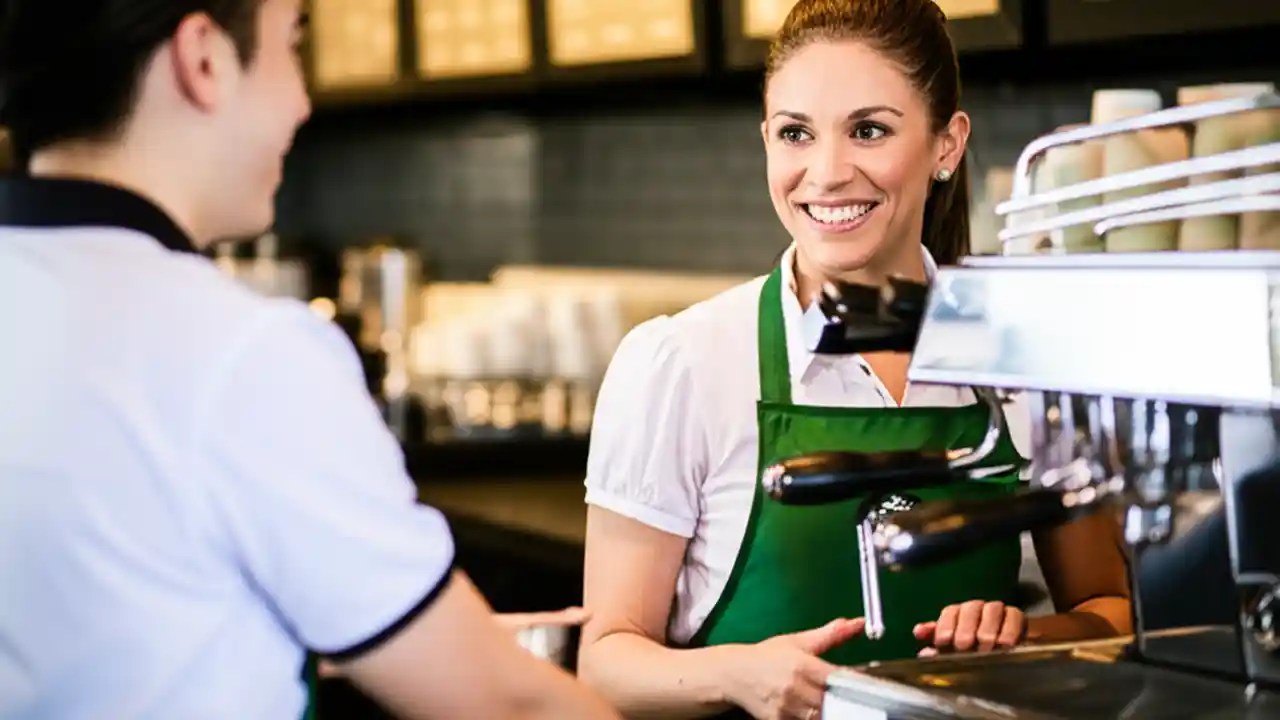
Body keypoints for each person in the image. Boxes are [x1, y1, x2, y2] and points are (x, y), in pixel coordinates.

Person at [0, 2, 617, 719]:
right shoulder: (240, 351)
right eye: (291, 46)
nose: (301, 101)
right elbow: (508, 705)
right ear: (204, 59)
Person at [577, 1, 1132, 718]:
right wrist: (738, 676)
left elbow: (1110, 612)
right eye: (795, 134)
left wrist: (1022, 637)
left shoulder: (1023, 361)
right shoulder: (682, 363)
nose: (828, 172)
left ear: (946, 145)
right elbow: (605, 659)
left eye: (869, 130)